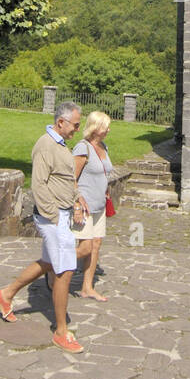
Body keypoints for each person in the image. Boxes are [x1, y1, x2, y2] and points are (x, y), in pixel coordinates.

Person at [0, 101, 89, 353]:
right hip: (53, 218)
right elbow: (39, 186)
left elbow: (64, 179)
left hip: (61, 215)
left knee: (49, 263)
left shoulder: (59, 145)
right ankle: (60, 331)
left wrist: (77, 198)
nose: (77, 130)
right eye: (75, 125)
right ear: (61, 122)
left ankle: (7, 294)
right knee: (65, 271)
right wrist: (55, 218)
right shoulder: (45, 146)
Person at [71, 111, 113, 301]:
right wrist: (77, 203)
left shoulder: (103, 146)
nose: (108, 130)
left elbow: (103, 172)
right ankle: (53, 266)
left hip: (99, 205)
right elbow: (70, 179)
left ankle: (87, 287)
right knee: (85, 248)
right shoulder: (82, 148)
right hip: (85, 206)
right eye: (105, 126)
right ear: (96, 128)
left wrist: (105, 189)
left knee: (96, 245)